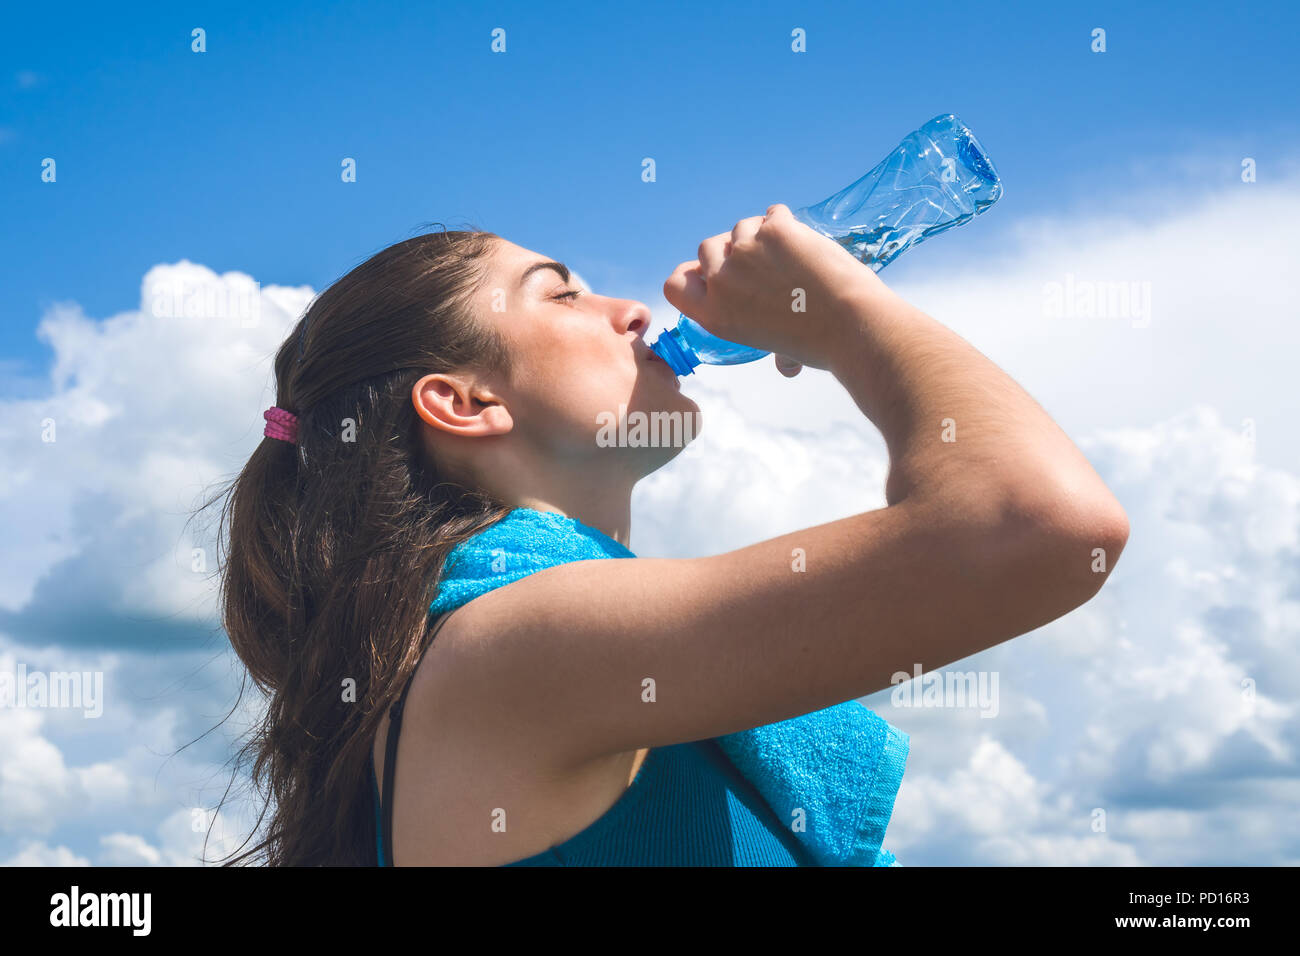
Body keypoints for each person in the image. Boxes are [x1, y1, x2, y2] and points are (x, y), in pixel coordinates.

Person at [212, 205, 1129, 866]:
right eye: (561, 294)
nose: (634, 310)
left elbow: (982, 536)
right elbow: (1038, 526)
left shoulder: (507, 642)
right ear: (464, 402)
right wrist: (845, 312)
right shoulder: (515, 645)